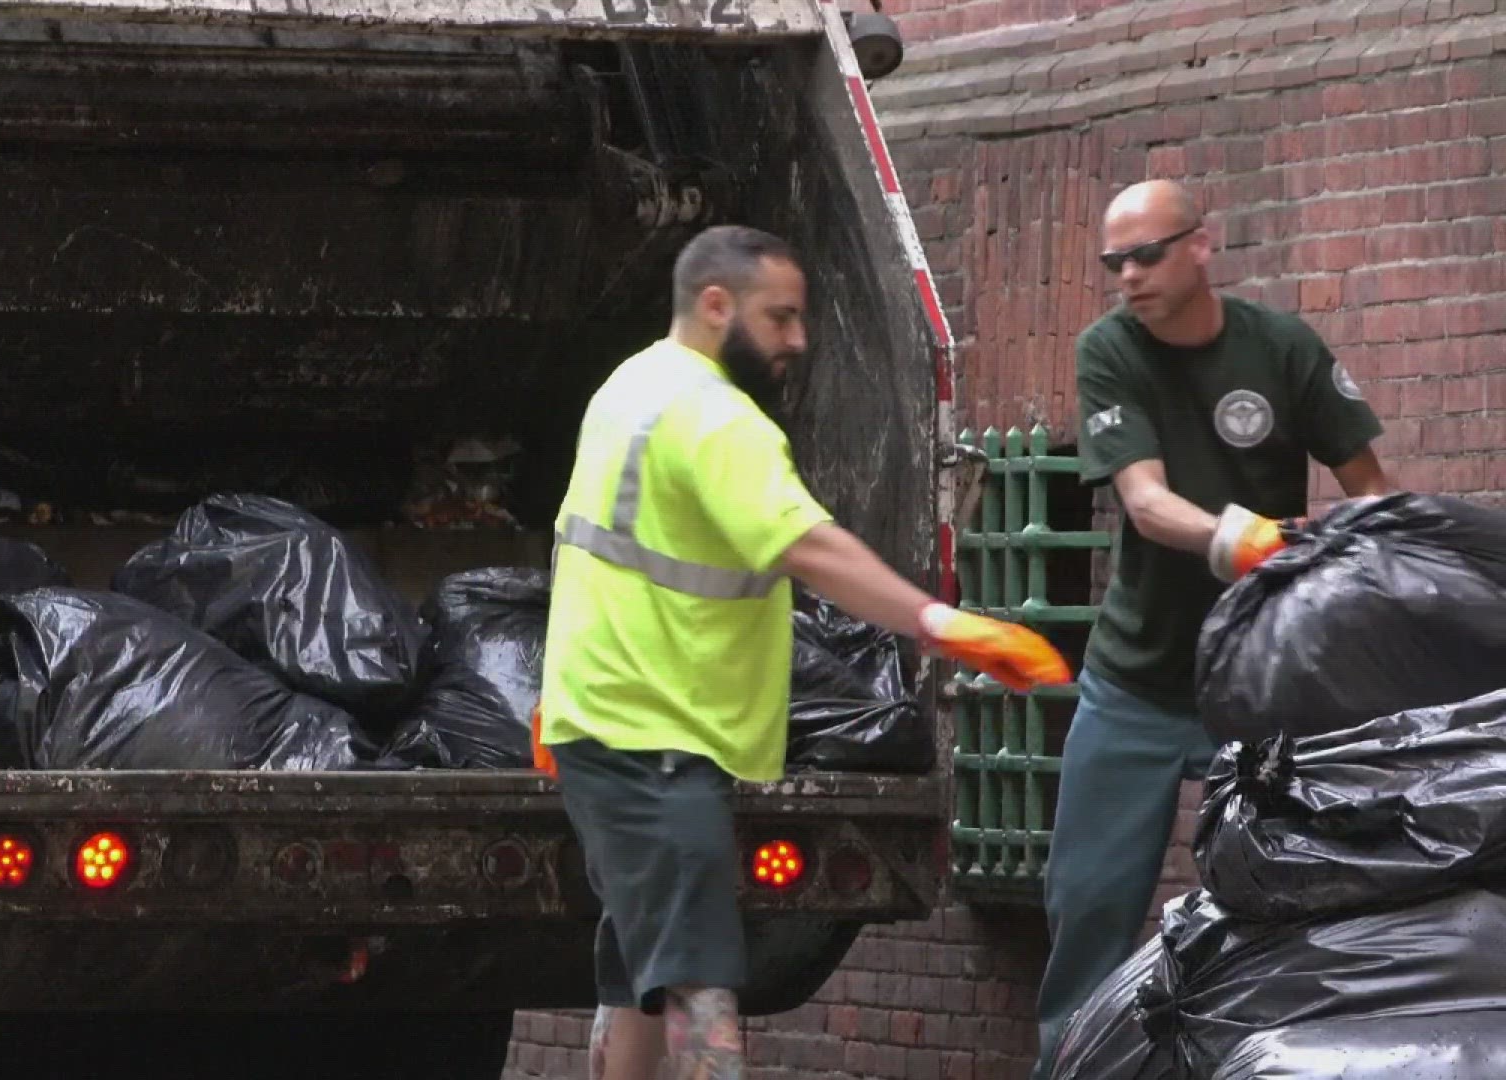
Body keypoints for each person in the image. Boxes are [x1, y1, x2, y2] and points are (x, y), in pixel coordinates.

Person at [533, 223, 1074, 1080]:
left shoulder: (630, 386)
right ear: (717, 306)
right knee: (700, 985)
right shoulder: (718, 420)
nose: (798, 339)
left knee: (643, 966)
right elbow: (810, 547)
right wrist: (942, 624)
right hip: (658, 745)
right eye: (779, 316)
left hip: (605, 724)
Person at [1030, 179, 1393, 1078]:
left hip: (1264, 685)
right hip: (1138, 686)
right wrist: (1251, 539)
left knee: (1300, 901)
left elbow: (1376, 496)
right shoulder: (1111, 351)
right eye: (1114, 261)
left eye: (1146, 254)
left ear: (1201, 247)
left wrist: (1362, 563)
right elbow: (1148, 505)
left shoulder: (1282, 350)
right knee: (1088, 909)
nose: (1128, 277)